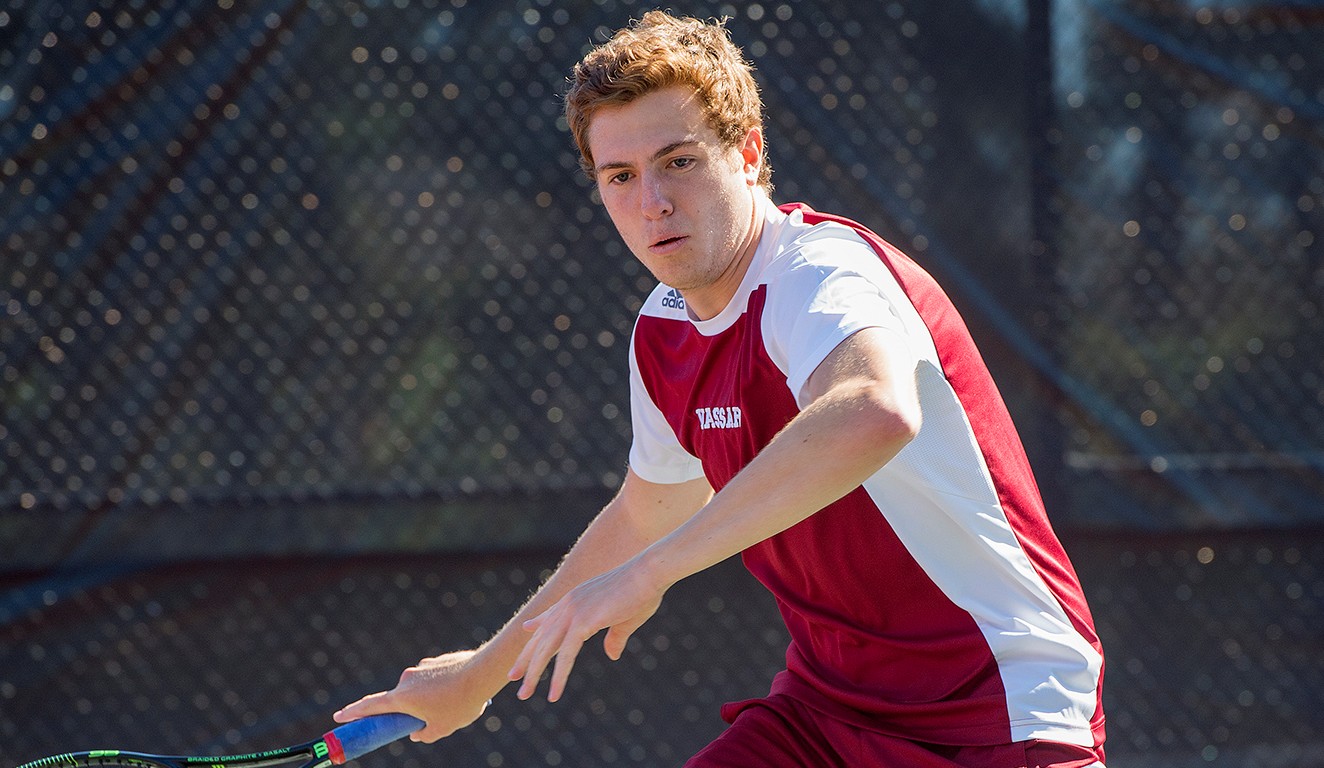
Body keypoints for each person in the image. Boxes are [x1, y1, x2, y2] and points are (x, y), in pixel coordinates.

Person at [335, 11, 1107, 767]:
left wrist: (652, 573)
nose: (653, 203)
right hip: (828, 713)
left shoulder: (819, 273)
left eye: (679, 162)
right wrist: (477, 677)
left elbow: (874, 411)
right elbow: (647, 509)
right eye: (621, 177)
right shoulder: (662, 329)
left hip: (1002, 711)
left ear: (746, 153)